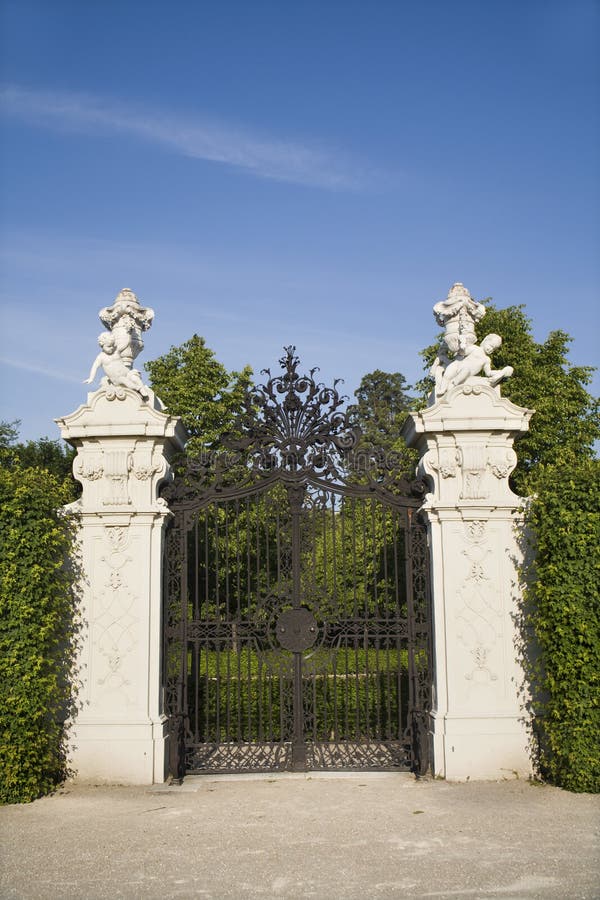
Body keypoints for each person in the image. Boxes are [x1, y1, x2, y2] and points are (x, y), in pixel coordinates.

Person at [436, 333, 513, 396]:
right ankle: (442, 389)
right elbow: (464, 352)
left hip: (467, 371)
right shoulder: (475, 348)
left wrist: (500, 372)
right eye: (491, 346)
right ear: (485, 341)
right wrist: (462, 347)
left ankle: (452, 386)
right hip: (459, 365)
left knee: (466, 371)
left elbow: (488, 373)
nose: (491, 349)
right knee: (447, 375)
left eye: (494, 349)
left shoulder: (487, 360)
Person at [84, 332, 149, 399]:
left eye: (112, 345)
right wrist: (91, 378)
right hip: (117, 379)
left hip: (127, 373)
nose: (111, 348)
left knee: (135, 377)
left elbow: (126, 343)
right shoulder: (101, 357)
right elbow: (95, 367)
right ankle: (137, 388)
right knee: (125, 381)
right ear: (102, 345)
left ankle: (142, 388)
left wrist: (129, 333)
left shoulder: (116, 350)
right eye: (109, 346)